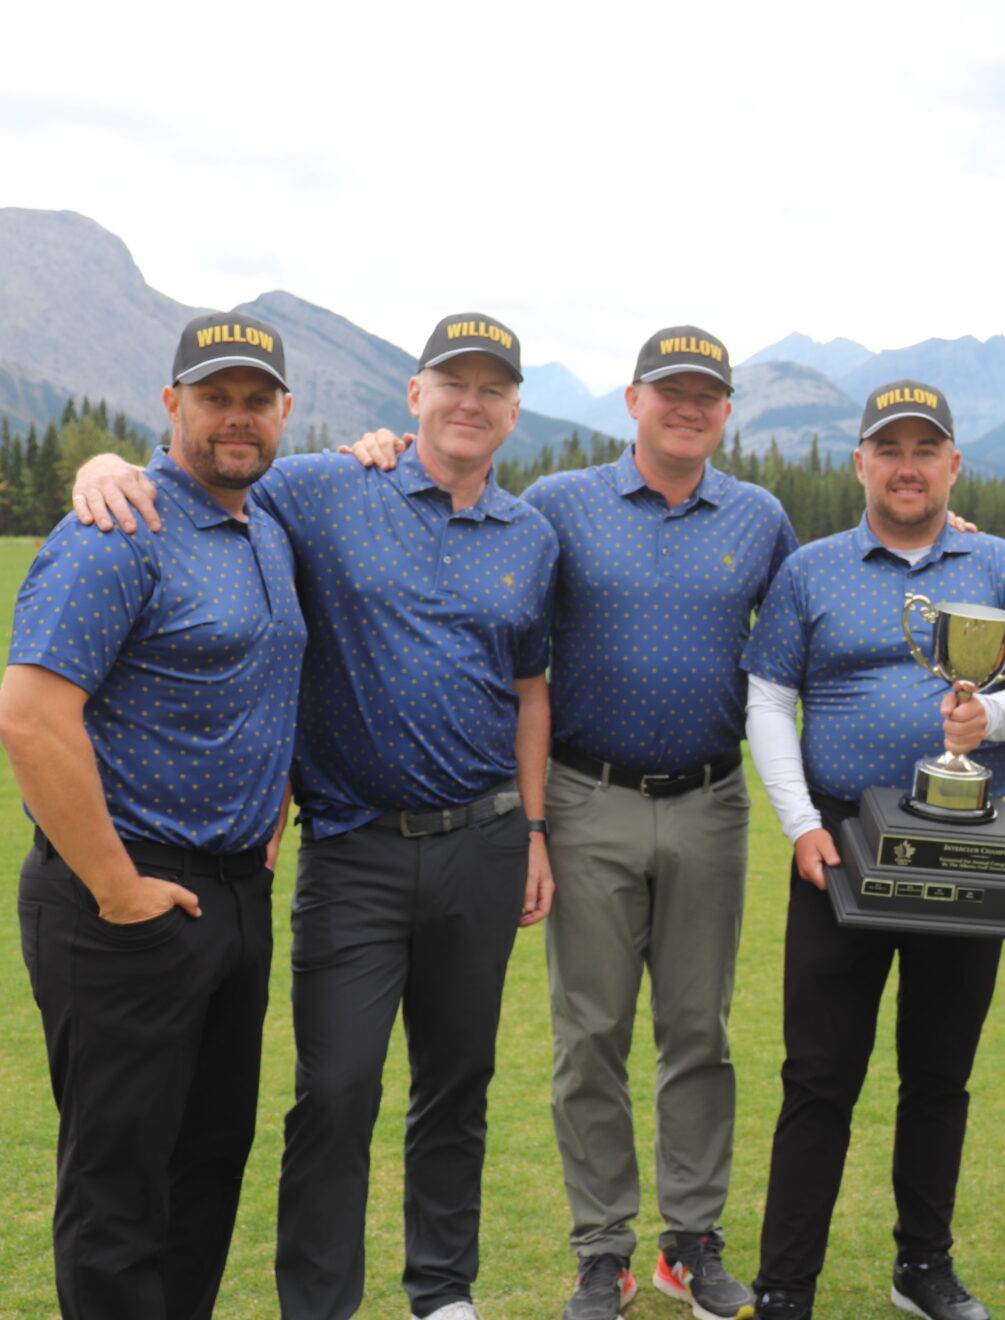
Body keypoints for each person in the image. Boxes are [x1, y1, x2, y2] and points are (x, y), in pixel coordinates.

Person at [71, 313, 561, 1320]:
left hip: (484, 840)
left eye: (493, 389)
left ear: (515, 411)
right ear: (415, 396)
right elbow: (205, 475)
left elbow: (530, 690)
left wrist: (536, 830)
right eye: (452, 383)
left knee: (458, 1080)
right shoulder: (321, 488)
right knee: (336, 1089)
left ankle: (442, 1291)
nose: (471, 403)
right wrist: (102, 463)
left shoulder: (532, 535)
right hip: (353, 846)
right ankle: (318, 1304)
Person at [342, 326, 791, 1320]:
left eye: (706, 395)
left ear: (726, 411)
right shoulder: (559, 504)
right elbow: (489, 598)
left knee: (699, 1031)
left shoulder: (760, 517)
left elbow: (817, 618)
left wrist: (939, 531)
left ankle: (690, 1242)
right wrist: (376, 455)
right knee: (589, 1035)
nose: (687, 408)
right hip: (587, 798)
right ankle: (602, 1250)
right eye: (669, 391)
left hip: (712, 802)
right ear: (633, 401)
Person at [739, 379, 1005, 1320]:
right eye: (889, 449)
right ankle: (786, 1283)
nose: (908, 465)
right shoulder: (811, 569)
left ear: (953, 464)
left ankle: (923, 1265)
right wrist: (800, 823)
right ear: (861, 464)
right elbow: (770, 700)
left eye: (926, 449)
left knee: (938, 1073)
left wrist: (988, 717)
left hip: (963, 843)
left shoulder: (1000, 565)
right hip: (838, 843)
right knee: (818, 1074)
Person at [0, 312, 306, 1319]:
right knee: (120, 1180)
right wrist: (117, 887)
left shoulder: (265, 529)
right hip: (122, 895)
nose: (236, 418)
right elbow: (30, 716)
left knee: (207, 1162)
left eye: (255, 399)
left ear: (285, 412)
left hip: (233, 894)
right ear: (172, 405)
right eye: (214, 398)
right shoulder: (116, 530)